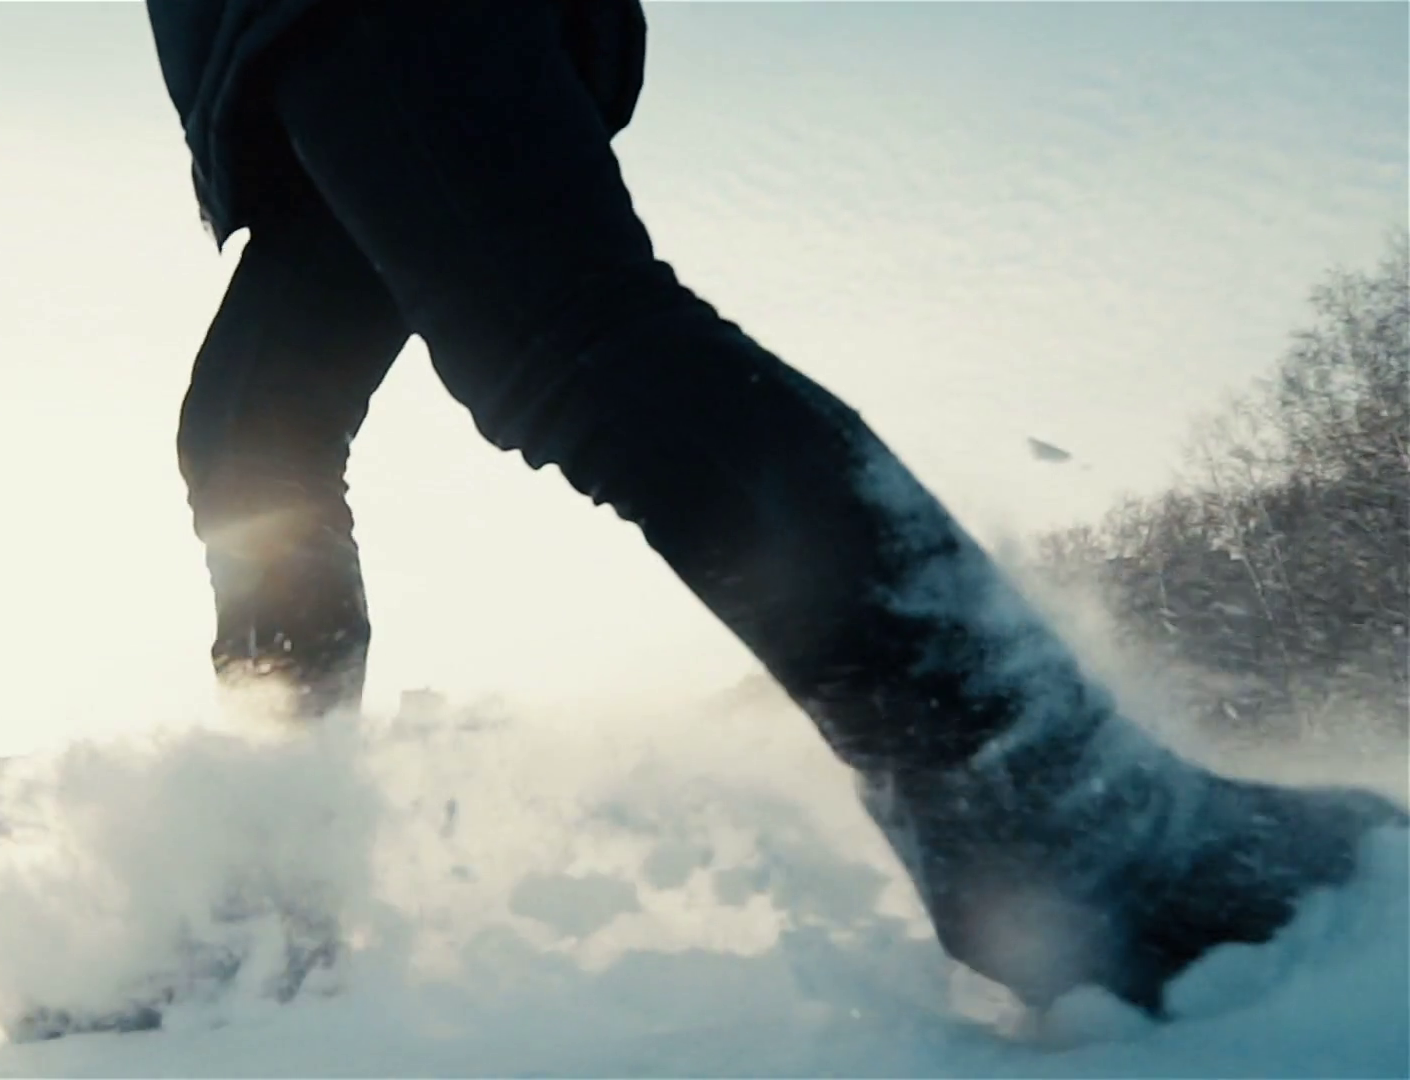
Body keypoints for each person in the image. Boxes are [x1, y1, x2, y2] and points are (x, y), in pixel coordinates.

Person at [144, 0, 1405, 1018]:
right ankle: (272, 916)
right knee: (250, 446)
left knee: (566, 339)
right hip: (274, 57)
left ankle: (1072, 828)